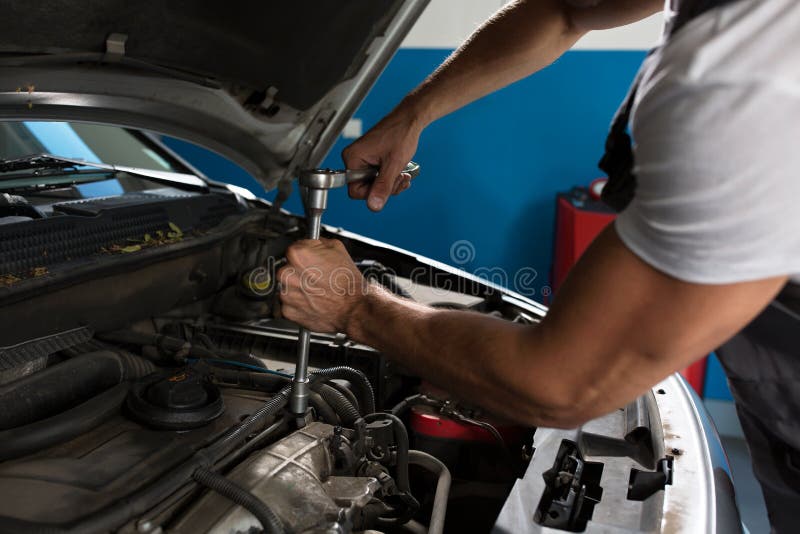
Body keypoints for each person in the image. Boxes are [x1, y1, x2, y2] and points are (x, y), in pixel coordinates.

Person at [278, 0, 800, 530]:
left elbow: (565, 383)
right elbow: (566, 10)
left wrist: (356, 308)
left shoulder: (754, 78)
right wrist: (413, 114)